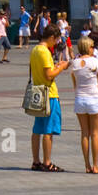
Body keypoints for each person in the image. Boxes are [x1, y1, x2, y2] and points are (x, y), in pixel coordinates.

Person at [29, 23, 69, 171]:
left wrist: (56, 66)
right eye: (56, 39)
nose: (57, 42)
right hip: (49, 94)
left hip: (38, 92)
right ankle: (47, 162)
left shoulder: (35, 49)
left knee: (37, 129)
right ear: (52, 37)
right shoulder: (44, 51)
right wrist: (61, 67)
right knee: (48, 130)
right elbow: (49, 75)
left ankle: (36, 161)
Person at [70, 36, 98, 173]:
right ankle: (96, 166)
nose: (93, 49)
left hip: (80, 99)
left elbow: (74, 82)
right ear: (88, 47)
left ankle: (87, 165)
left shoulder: (75, 63)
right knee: (95, 134)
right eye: (92, 46)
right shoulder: (96, 62)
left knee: (84, 133)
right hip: (94, 99)